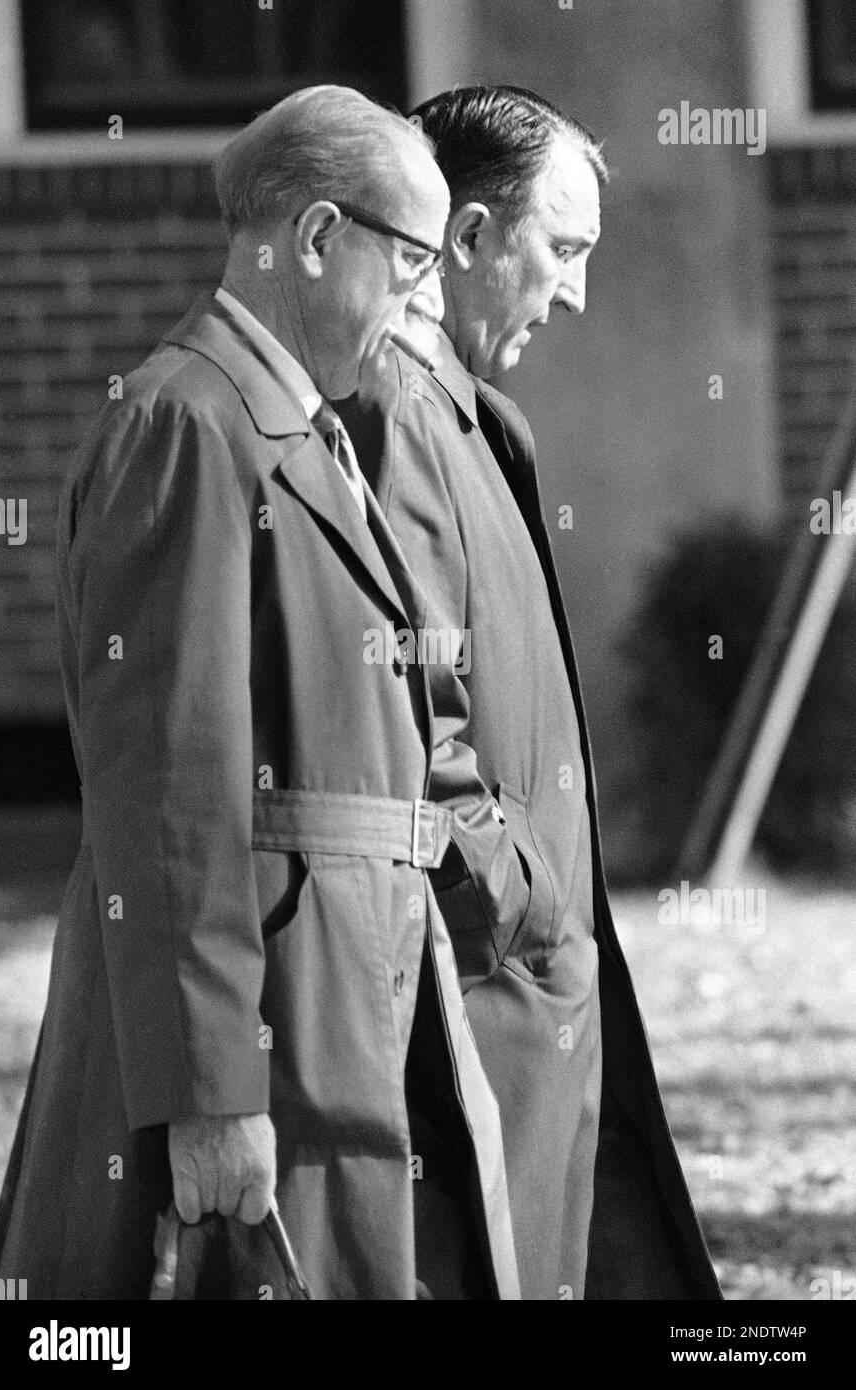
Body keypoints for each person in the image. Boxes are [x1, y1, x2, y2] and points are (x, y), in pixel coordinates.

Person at [0, 86, 522, 1301]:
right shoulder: (186, 425)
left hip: (338, 993)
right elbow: (170, 789)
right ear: (320, 238)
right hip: (268, 1015)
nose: (432, 296)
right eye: (416, 258)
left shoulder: (291, 423)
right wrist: (211, 1093)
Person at [340, 85, 722, 1300]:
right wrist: (518, 902)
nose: (575, 295)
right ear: (464, 239)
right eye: (561, 251)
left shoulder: (464, 412)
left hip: (529, 991)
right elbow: (403, 707)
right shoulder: (394, 414)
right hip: (479, 1009)